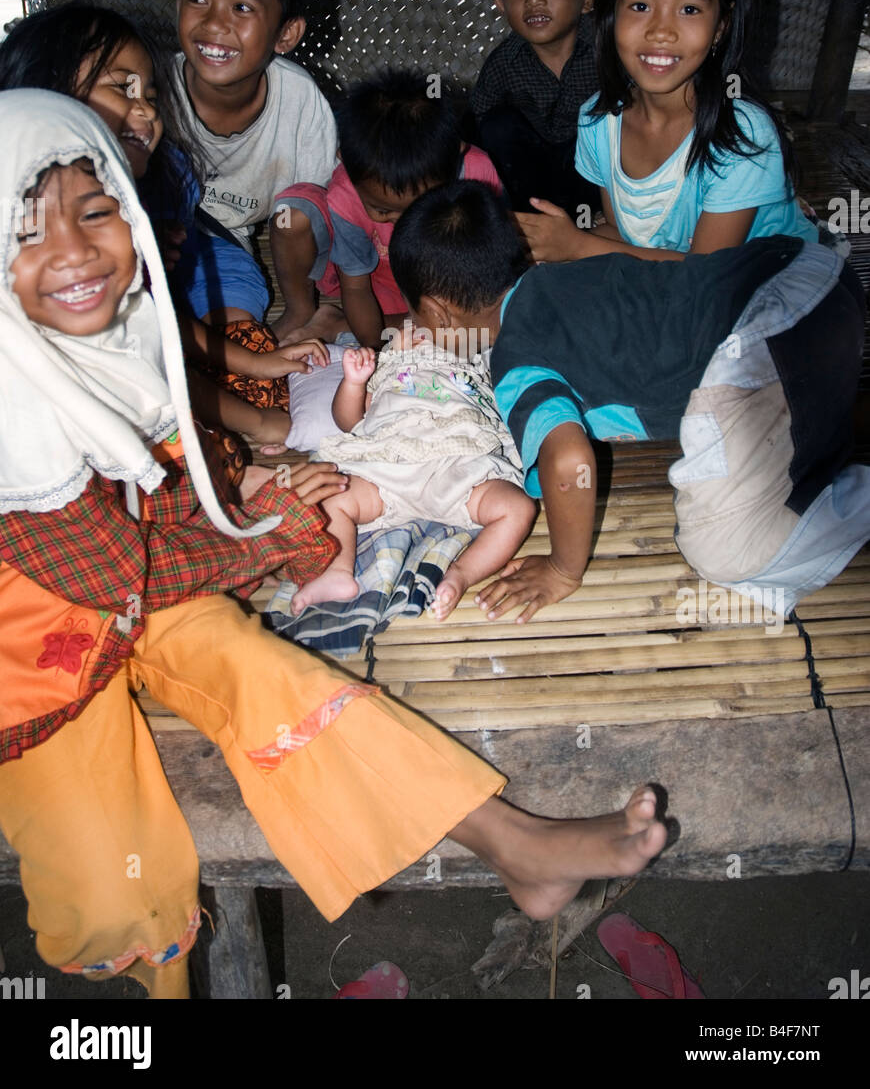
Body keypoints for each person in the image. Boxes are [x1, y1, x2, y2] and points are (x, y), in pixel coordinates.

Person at [0, 92, 671, 997]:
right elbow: (114, 566)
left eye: (94, 211)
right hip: (31, 655)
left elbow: (182, 466)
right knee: (113, 884)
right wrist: (270, 532)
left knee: (285, 683)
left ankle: (517, 843)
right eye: (27, 231)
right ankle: (156, 996)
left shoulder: (125, 329)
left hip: (149, 601)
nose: (76, 253)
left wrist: (258, 484)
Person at [390, 181, 869, 626]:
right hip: (813, 274)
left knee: (722, 551)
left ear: (436, 310)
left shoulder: (518, 358)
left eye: (416, 316)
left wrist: (562, 569)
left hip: (771, 336)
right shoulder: (565, 272)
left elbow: (571, 461)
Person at [0, 2, 327, 450]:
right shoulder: (35, 232)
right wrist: (258, 422)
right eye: (123, 88)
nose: (148, 111)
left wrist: (256, 364)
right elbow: (145, 355)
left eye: (151, 96)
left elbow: (150, 317)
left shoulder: (142, 187)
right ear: (46, 93)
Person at [517, 0, 819, 266]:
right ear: (612, 14)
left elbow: (706, 273)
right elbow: (626, 237)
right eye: (641, 5)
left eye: (689, 10)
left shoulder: (743, 134)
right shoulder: (598, 122)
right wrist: (555, 245)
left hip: (766, 278)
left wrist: (578, 246)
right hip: (673, 276)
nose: (661, 31)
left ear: (721, 26)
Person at [172, 0, 343, 342]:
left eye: (242, 7)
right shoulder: (153, 88)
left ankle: (303, 310)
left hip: (227, 242)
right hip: (148, 235)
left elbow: (311, 211)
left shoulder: (301, 102)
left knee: (231, 342)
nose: (213, 23)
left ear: (285, 34)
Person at [292, 335, 536, 619]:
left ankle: (460, 574)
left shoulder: (479, 360)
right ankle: (338, 572)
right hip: (387, 467)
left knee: (518, 509)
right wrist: (353, 382)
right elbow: (349, 421)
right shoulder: (387, 363)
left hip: (459, 466)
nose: (427, 331)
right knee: (333, 494)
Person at [274, 69, 502, 350]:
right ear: (345, 162)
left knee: (477, 325)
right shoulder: (346, 198)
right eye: (383, 211)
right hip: (379, 283)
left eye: (420, 207)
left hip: (439, 283)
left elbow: (491, 267)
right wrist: (373, 350)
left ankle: (337, 324)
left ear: (455, 159)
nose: (402, 223)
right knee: (290, 213)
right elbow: (356, 287)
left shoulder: (478, 176)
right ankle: (309, 313)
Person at [470, 0, 601, 217]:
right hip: (532, 182)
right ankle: (525, 224)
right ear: (501, 3)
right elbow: (478, 123)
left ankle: (598, 223)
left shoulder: (610, 52)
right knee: (496, 126)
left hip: (596, 177)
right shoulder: (503, 63)